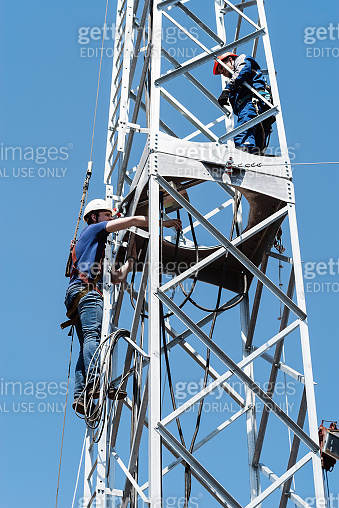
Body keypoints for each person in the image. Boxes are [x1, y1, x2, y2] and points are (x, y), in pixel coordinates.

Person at [64, 198, 182, 415]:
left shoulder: (94, 249)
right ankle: (96, 381)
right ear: (94, 217)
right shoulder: (94, 230)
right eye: (106, 215)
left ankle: (81, 395)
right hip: (87, 292)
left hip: (78, 293)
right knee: (93, 338)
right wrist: (161, 223)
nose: (110, 218)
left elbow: (116, 278)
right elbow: (133, 220)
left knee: (86, 343)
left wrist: (130, 259)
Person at [213, 52, 274, 155]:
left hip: (252, 102)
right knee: (257, 139)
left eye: (221, 67)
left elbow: (242, 71)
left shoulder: (242, 59)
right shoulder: (236, 83)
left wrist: (227, 90)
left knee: (243, 129)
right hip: (254, 106)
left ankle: (244, 152)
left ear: (230, 60)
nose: (222, 72)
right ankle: (255, 158)